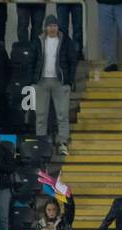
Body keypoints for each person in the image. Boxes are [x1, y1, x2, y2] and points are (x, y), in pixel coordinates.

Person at [32, 15, 76, 155]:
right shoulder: (38, 41)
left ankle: (62, 143)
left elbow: (72, 61)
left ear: (58, 27)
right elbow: (32, 61)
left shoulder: (66, 41)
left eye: (55, 26)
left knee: (62, 115)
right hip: (41, 82)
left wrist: (69, 80)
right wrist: (33, 79)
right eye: (50, 25)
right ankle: (41, 145)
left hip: (60, 82)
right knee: (40, 115)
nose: (52, 28)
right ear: (45, 27)